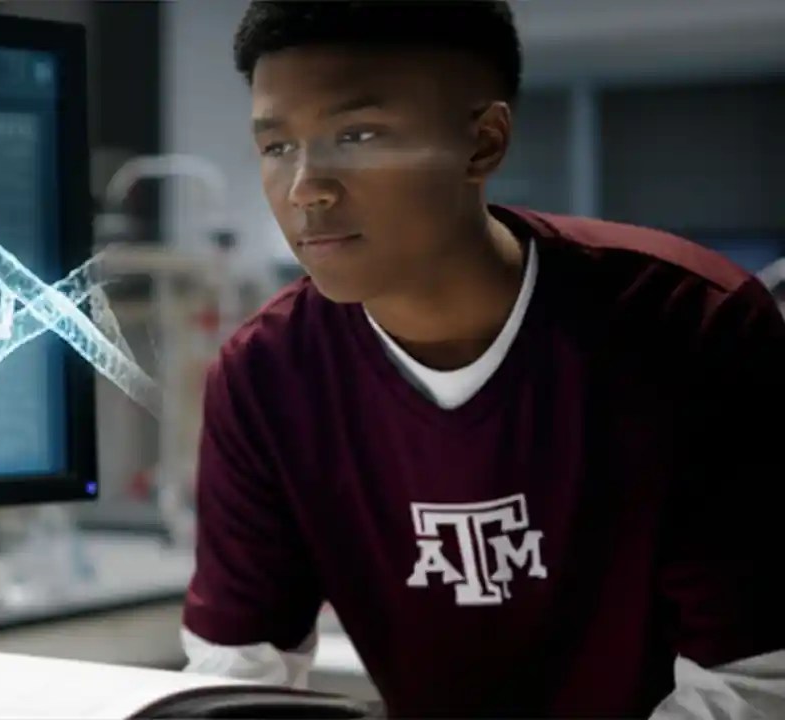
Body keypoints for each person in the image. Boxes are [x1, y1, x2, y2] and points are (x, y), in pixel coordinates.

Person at [179, 2, 785, 717]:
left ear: (484, 143)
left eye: (357, 134)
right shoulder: (267, 376)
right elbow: (237, 674)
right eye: (277, 146)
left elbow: (753, 681)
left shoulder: (690, 323)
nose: (306, 187)